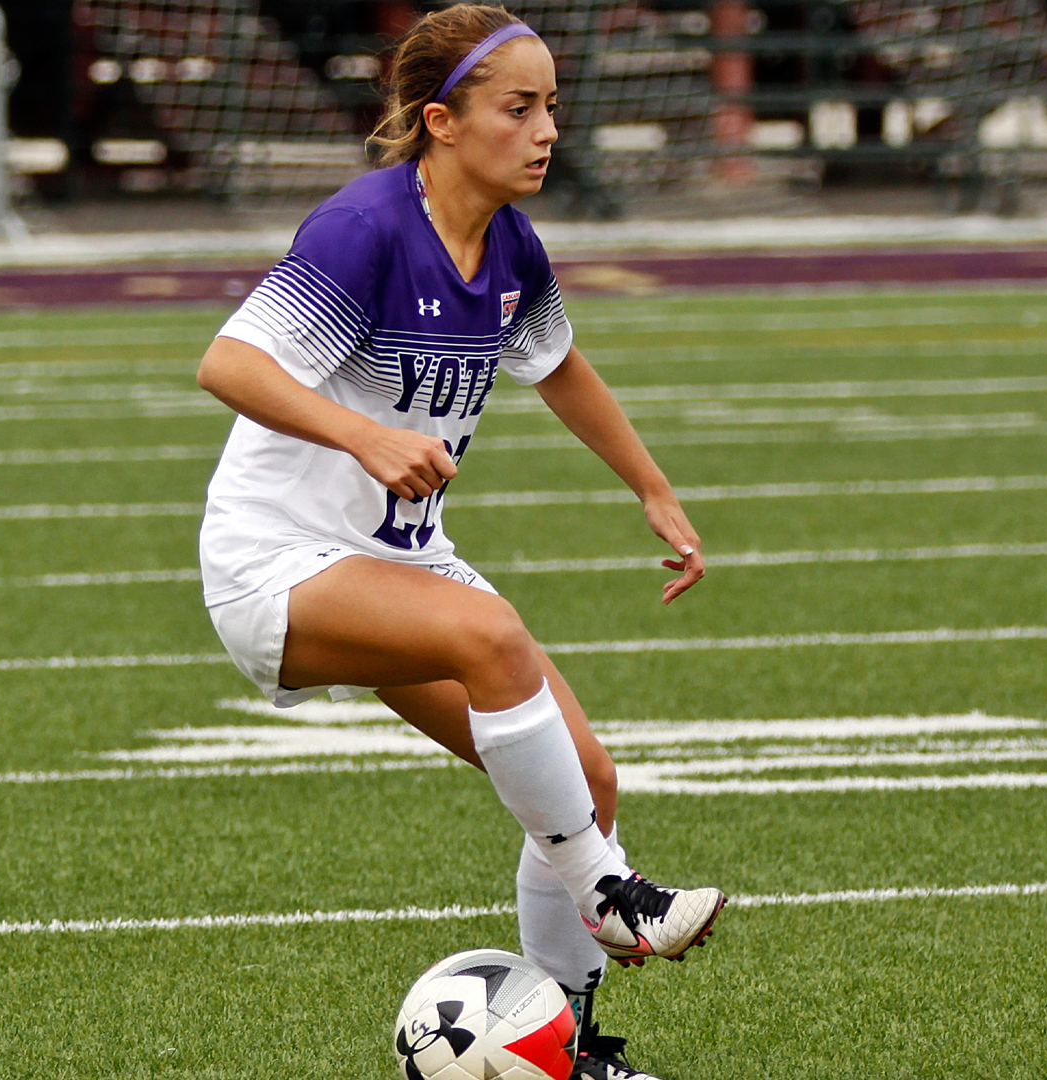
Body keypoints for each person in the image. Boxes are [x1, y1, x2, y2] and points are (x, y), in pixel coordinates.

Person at [194, 6, 724, 1077]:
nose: (547, 131)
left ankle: (571, 1049)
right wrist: (365, 436)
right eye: (519, 108)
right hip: (276, 562)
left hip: (398, 563)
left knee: (585, 785)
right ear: (441, 121)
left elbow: (558, 367)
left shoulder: (510, 241)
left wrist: (652, 488)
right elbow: (228, 365)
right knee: (492, 637)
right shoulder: (365, 228)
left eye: (552, 107)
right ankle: (608, 895)